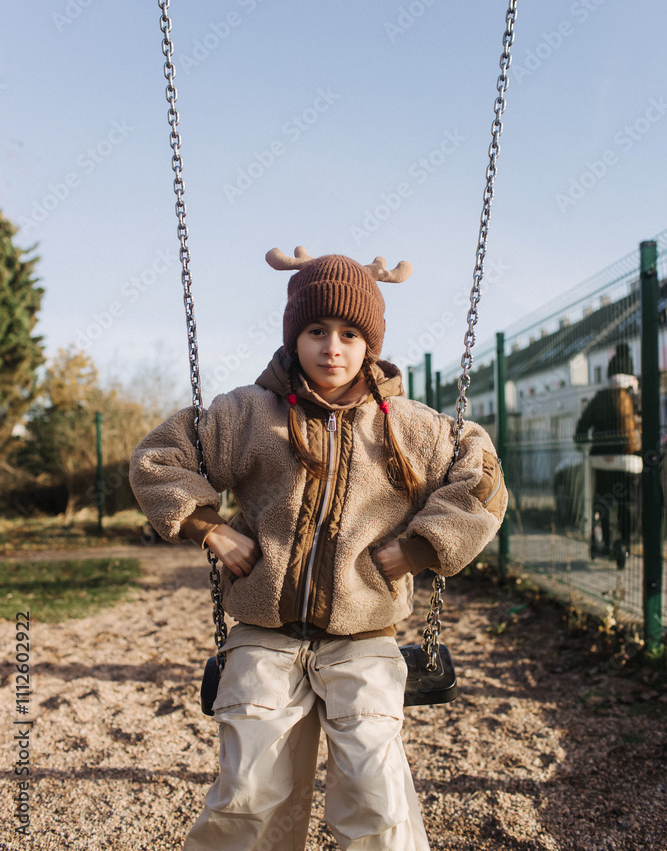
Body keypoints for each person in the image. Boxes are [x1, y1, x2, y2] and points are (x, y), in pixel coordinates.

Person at [129, 246, 507, 851]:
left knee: (373, 790)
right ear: (293, 335)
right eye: (316, 329)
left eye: (350, 333)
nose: (333, 346)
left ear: (370, 345)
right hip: (262, 629)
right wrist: (211, 527)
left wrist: (421, 549)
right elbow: (158, 459)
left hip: (364, 635)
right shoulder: (248, 415)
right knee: (247, 792)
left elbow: (482, 477)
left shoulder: (408, 426)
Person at [574, 342, 642, 567]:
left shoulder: (599, 398)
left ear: (610, 374)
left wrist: (591, 444)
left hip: (601, 462)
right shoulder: (637, 397)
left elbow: (580, 432)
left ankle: (603, 541)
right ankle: (624, 545)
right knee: (628, 504)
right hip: (630, 462)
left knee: (602, 502)